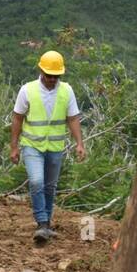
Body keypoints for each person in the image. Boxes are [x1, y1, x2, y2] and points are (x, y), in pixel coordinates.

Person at [9, 50, 86, 244]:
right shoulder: (27, 90)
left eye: (55, 76)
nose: (52, 79)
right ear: (41, 71)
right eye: (49, 75)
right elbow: (17, 118)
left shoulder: (66, 91)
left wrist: (79, 143)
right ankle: (42, 223)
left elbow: (73, 118)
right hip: (32, 145)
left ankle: (47, 223)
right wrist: (14, 147)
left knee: (50, 186)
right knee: (36, 181)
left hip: (55, 146)